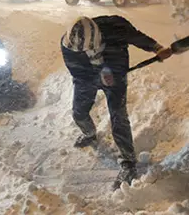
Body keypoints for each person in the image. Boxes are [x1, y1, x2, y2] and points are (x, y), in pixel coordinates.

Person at [60, 15, 172, 190]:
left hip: (115, 72)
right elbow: (78, 73)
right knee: (78, 112)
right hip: (86, 77)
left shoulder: (115, 26)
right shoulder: (68, 44)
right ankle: (89, 133)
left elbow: (136, 36)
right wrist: (98, 75)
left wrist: (156, 47)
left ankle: (128, 163)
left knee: (118, 116)